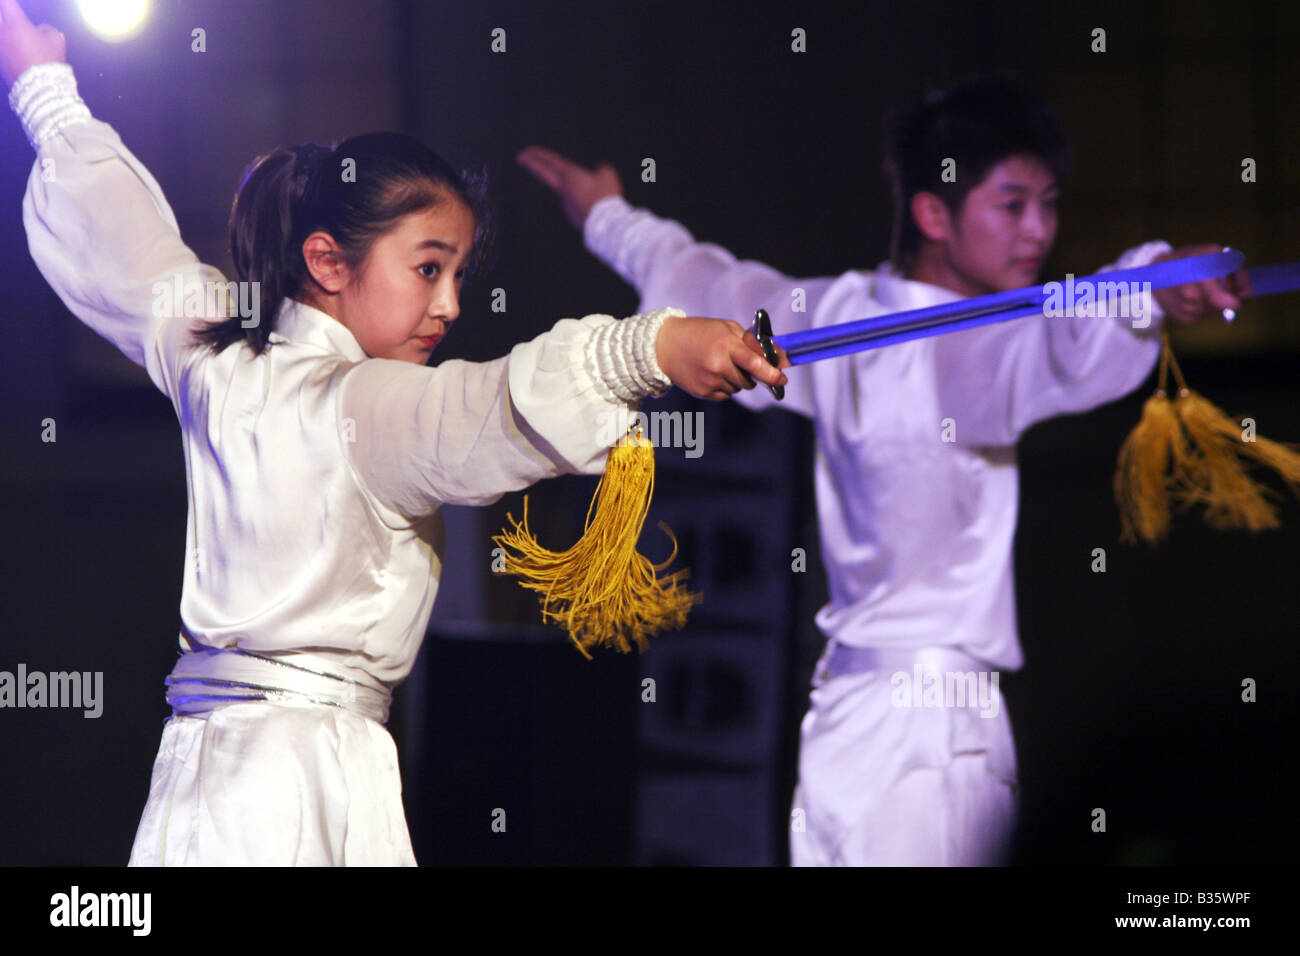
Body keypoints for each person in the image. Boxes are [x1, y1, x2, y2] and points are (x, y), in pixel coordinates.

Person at [1, 0, 787, 866]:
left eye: (456, 274)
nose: (449, 304)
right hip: (304, 785)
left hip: (209, 774)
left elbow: (128, 245)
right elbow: (484, 410)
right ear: (328, 261)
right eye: (427, 269)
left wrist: (45, 91)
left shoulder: (214, 352)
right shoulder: (360, 403)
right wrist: (651, 346)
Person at [518, 75, 1249, 865]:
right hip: (924, 741)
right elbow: (1064, 335)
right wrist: (1156, 284)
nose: (1038, 228)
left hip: (862, 719)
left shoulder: (835, 314)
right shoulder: (958, 346)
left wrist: (606, 214)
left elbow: (703, 280)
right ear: (934, 211)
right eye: (1012, 204)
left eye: (1049, 202)